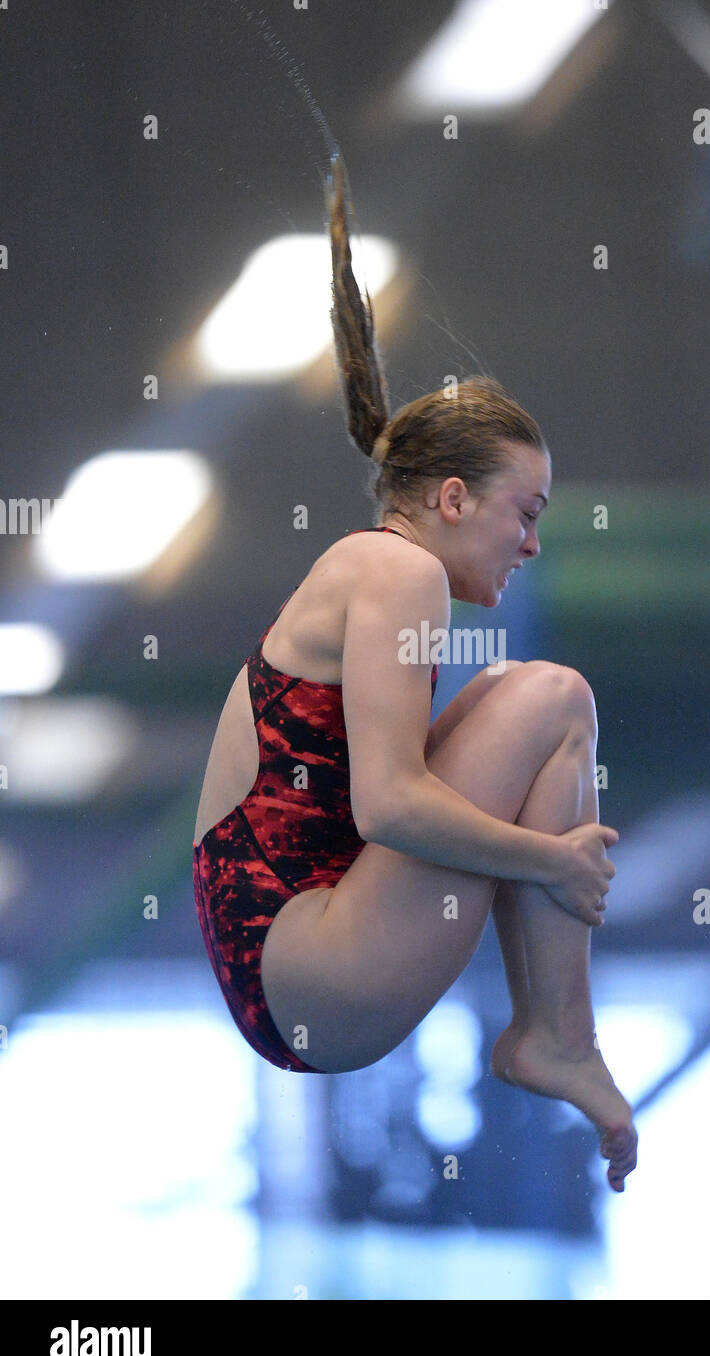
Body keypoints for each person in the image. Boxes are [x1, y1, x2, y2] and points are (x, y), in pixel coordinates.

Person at [192, 154, 637, 1192]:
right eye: (523, 514)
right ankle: (557, 1034)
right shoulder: (394, 571)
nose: (530, 545)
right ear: (448, 498)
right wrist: (548, 860)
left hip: (288, 962)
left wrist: (533, 855)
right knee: (552, 696)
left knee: (517, 697)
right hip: (302, 963)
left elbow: (378, 804)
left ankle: (553, 1034)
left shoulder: (368, 569)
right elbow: (390, 805)